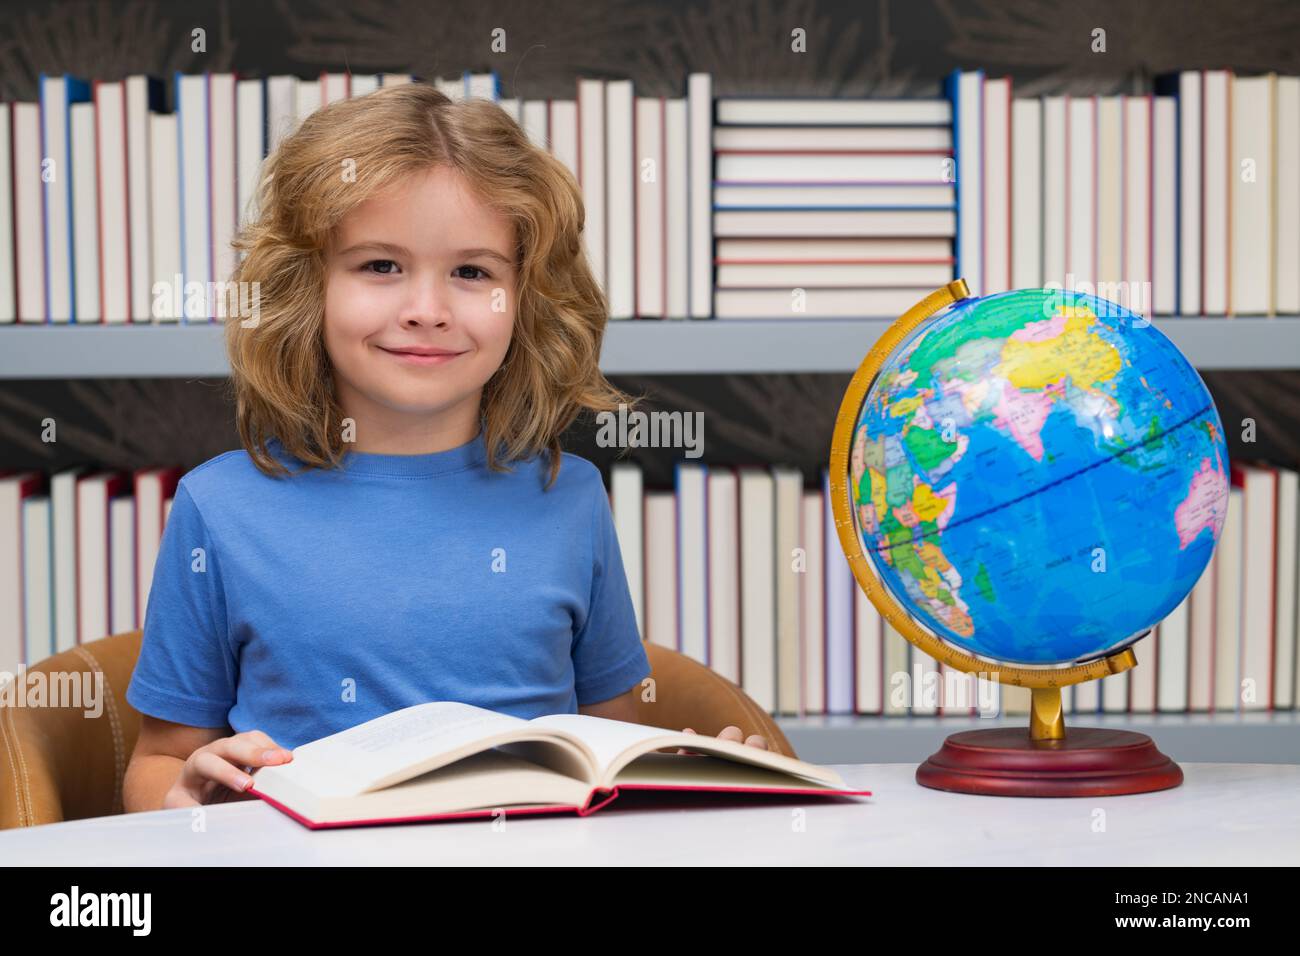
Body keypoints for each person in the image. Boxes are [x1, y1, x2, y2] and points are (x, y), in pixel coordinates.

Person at [122, 83, 766, 812]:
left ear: (527, 300)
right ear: (309, 289)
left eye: (472, 272)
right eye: (379, 266)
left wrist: (696, 780)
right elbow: (160, 761)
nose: (426, 311)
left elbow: (607, 754)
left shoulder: (572, 496)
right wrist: (180, 799)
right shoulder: (219, 506)